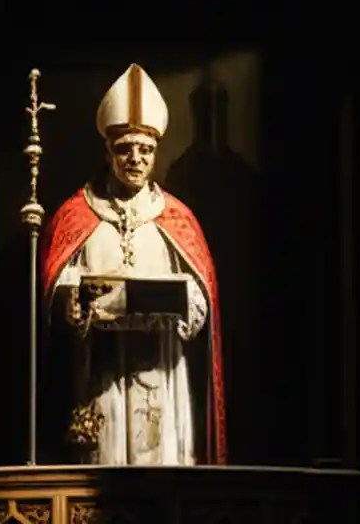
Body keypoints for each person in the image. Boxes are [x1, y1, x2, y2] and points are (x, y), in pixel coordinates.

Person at [39, 63, 227, 465]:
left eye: (146, 150)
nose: (136, 159)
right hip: (101, 379)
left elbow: (201, 303)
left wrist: (181, 303)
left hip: (162, 377)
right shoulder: (77, 216)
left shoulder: (176, 219)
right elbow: (57, 291)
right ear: (108, 152)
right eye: (125, 148)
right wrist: (70, 301)